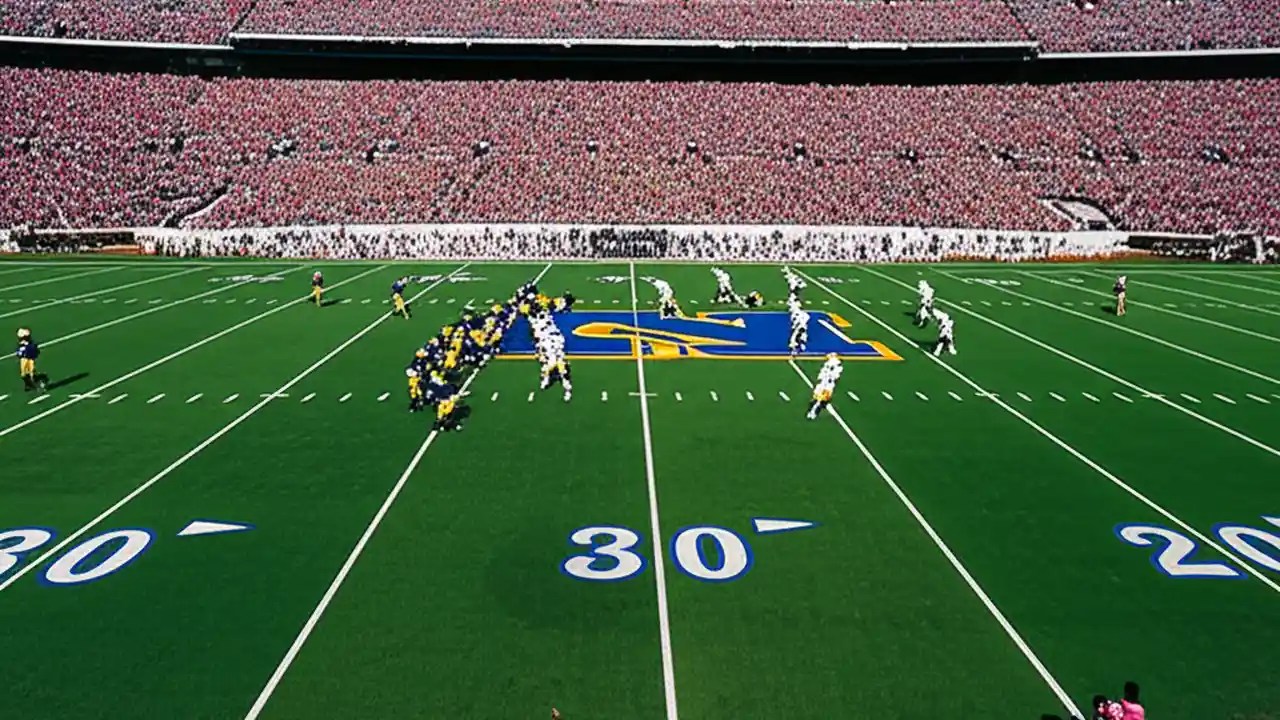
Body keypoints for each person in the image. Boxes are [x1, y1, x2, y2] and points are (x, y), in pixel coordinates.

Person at [806, 353, 842, 420]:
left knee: (822, 400)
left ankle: (814, 412)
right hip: (824, 383)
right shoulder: (830, 365)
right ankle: (811, 411)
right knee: (816, 399)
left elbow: (835, 376)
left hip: (828, 384)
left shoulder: (836, 366)